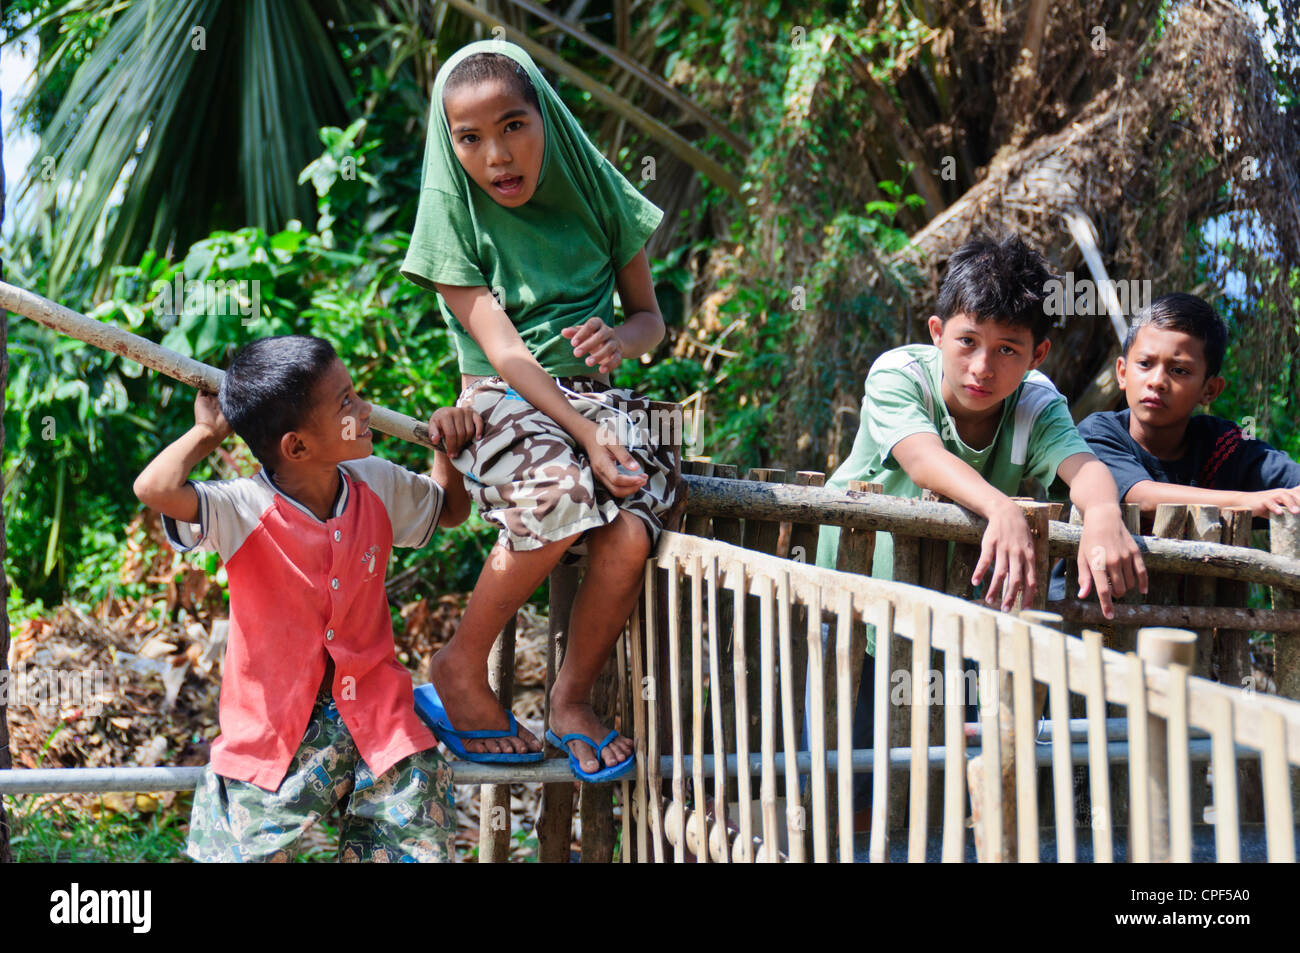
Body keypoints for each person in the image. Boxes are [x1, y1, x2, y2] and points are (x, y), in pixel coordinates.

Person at [399, 40, 678, 781]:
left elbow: (652, 320)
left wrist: (619, 337)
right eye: (471, 137)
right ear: (450, 142)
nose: (498, 154)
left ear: (545, 117)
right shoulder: (451, 220)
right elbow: (505, 354)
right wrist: (585, 434)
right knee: (555, 494)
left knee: (630, 531)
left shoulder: (594, 186)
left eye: (514, 125)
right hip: (504, 399)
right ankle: (459, 667)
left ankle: (570, 700)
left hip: (603, 400)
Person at [134, 335, 479, 862]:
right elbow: (155, 487)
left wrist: (445, 447)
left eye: (356, 394)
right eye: (346, 403)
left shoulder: (376, 483)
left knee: (414, 844)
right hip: (273, 735)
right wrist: (207, 432)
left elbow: (448, 510)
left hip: (379, 724)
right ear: (295, 447)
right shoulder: (240, 508)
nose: (366, 410)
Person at [816, 234, 1148, 621]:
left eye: (1007, 349)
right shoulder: (900, 375)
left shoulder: (1035, 403)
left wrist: (1105, 512)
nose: (982, 367)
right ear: (937, 333)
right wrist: (1000, 507)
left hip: (952, 610)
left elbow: (1085, 468)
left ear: (1037, 355)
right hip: (846, 597)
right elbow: (924, 460)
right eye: (967, 341)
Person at [1078, 292, 1300, 521]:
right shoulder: (1098, 434)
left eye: (1179, 371)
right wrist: (1247, 501)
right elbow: (1142, 497)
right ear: (1122, 373)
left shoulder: (1226, 447)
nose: (1157, 381)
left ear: (1210, 390)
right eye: (1145, 364)